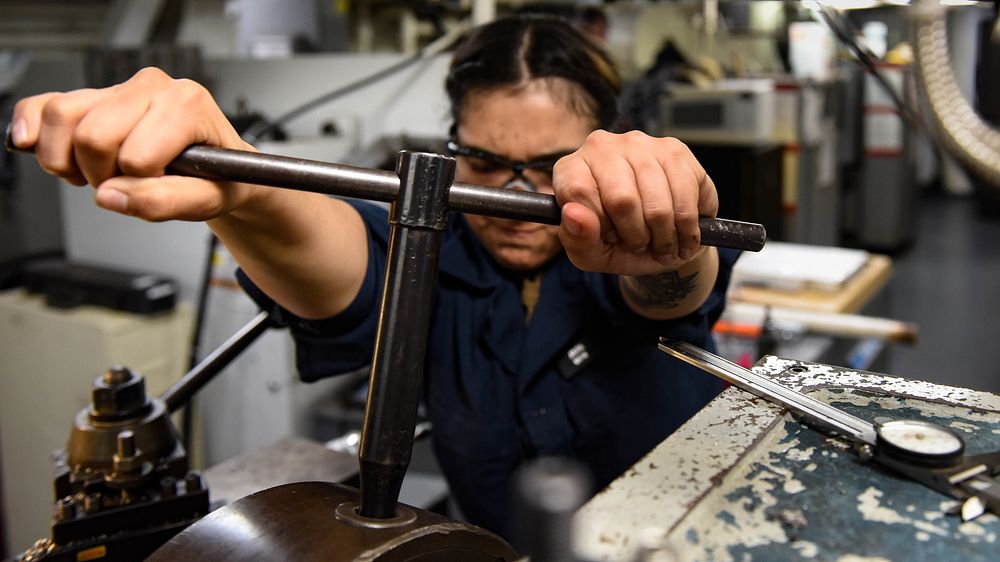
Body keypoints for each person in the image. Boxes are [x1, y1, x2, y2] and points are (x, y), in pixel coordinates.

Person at [10, 15, 737, 536]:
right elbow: (346, 271)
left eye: (550, 169)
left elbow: (671, 294)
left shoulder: (618, 240)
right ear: (452, 148)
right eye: (484, 164)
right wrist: (248, 190)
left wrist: (667, 242)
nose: (516, 200)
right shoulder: (435, 249)